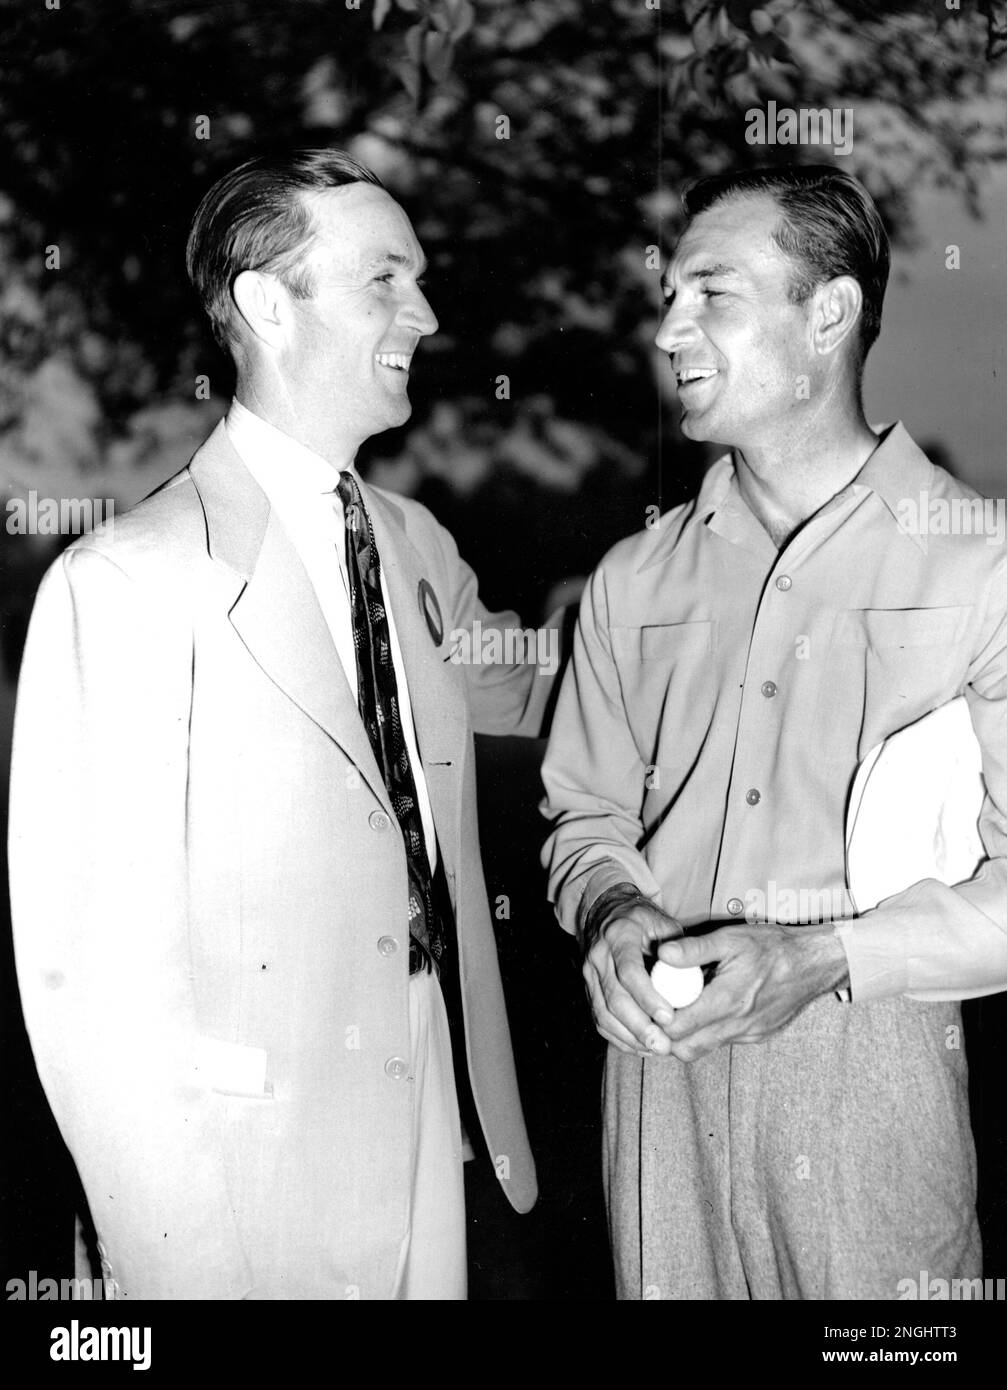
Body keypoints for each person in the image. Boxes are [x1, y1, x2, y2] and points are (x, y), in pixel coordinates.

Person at [9, 149, 555, 1300]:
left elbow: (560, 692)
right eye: (385, 281)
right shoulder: (124, 583)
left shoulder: (415, 548)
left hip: (435, 1152)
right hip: (243, 1206)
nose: (427, 311)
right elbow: (97, 1003)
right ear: (266, 303)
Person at [540, 165, 1007, 1300]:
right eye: (668, 296)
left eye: (711, 293)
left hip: (872, 1066)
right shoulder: (628, 577)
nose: (666, 328)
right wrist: (610, 915)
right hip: (655, 1078)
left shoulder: (981, 564)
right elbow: (581, 818)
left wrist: (817, 961)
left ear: (828, 314)